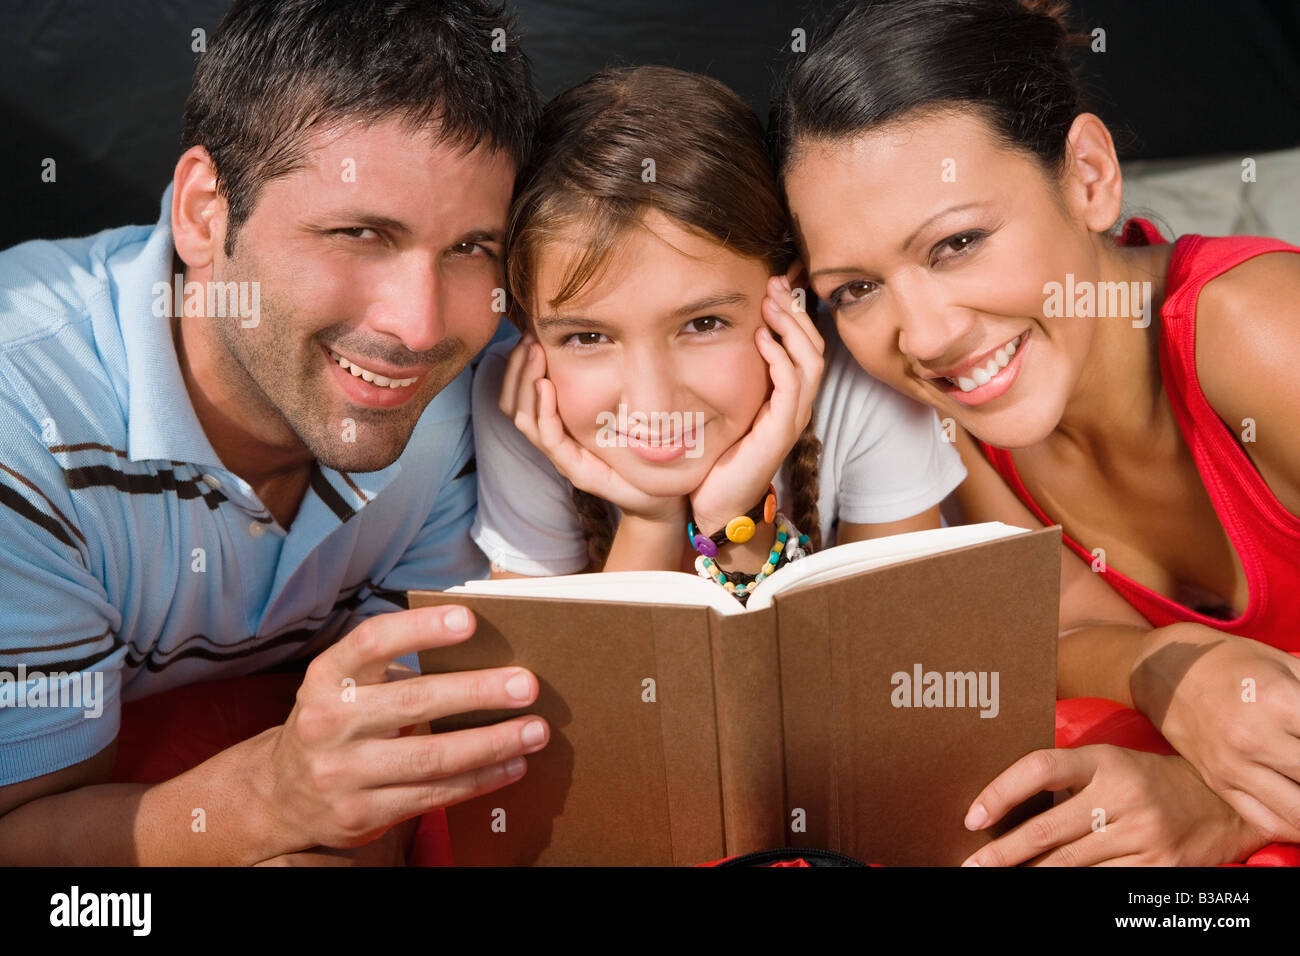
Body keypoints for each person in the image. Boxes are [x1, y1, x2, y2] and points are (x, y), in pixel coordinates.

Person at [0, 0, 550, 865]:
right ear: (204, 211)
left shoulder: (468, 395)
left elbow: (390, 757)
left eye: (470, 248)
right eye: (360, 232)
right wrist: (266, 803)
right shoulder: (21, 425)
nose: (418, 326)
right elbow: (21, 836)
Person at [771, 0, 1300, 864]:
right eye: (856, 289)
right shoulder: (952, 423)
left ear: (1089, 175)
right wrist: (1165, 667)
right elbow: (1065, 636)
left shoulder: (1261, 333)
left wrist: (1227, 809)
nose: (928, 335)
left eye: (958, 243)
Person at [471, 65, 966, 592]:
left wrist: (736, 520)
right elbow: (567, 677)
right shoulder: (522, 404)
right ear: (525, 328)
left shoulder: (867, 386)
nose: (653, 402)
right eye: (587, 337)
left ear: (789, 301)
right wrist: (649, 522)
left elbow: (884, 663)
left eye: (703, 323)